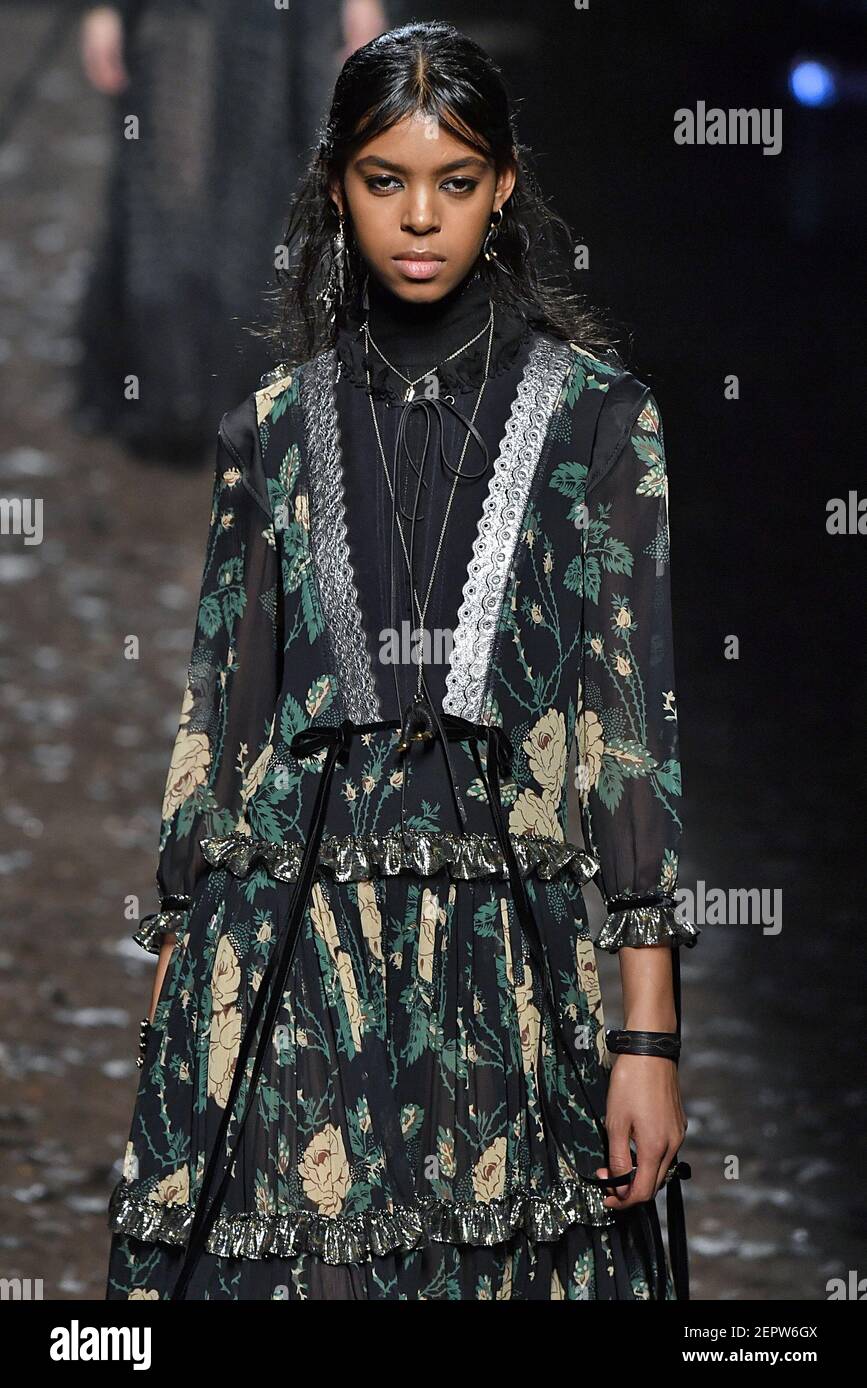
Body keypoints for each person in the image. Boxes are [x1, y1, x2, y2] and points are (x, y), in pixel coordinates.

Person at [105, 19, 699, 1301]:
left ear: (504, 190)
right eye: (386, 182)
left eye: (454, 181)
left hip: (506, 975)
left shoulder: (601, 423)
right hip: (279, 953)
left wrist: (646, 1032)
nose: (418, 218)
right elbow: (222, 710)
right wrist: (173, 988)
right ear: (338, 188)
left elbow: (627, 728)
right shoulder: (268, 428)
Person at [75, 0, 387, 462]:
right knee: (173, 202)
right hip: (184, 18)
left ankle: (253, 402)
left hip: (296, 22)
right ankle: (177, 402)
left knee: (298, 186)